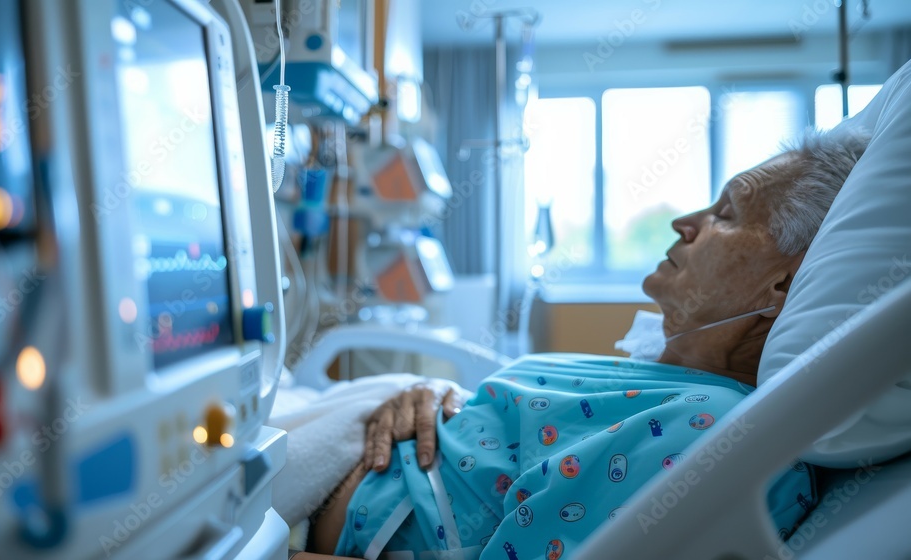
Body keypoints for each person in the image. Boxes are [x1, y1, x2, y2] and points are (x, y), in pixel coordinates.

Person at [292, 127, 871, 560]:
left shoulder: (706, 433)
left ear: (784, 284)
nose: (684, 223)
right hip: (353, 444)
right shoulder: (668, 383)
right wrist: (424, 392)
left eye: (727, 213)